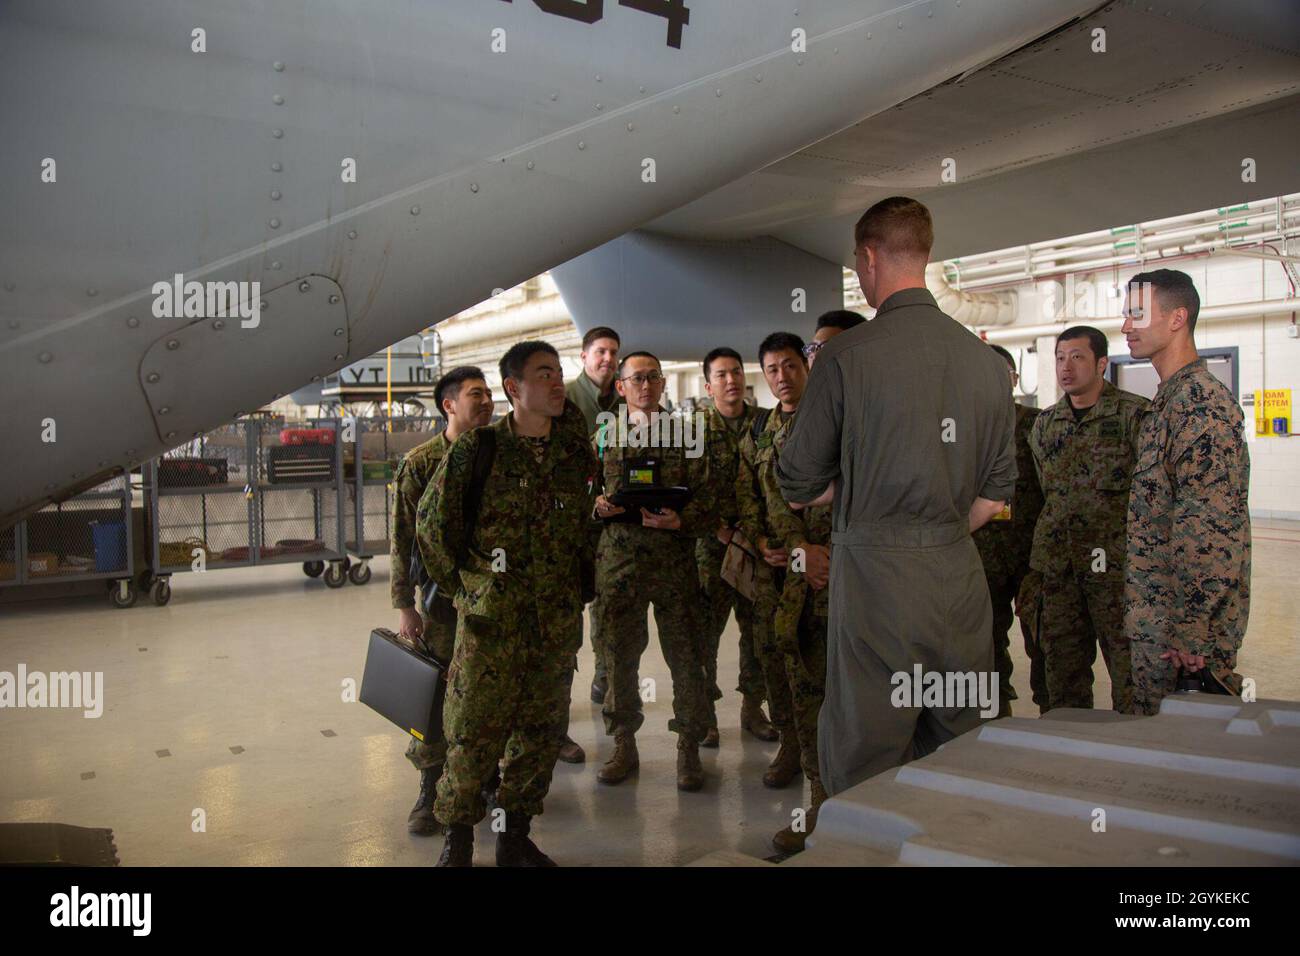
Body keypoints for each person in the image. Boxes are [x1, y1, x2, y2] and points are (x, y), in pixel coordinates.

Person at [775, 196, 1017, 795]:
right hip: (959, 581)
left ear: (870, 256)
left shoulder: (844, 357)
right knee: (963, 747)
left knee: (865, 755)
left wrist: (863, 496)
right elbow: (993, 497)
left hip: (876, 584)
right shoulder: (986, 363)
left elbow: (798, 482)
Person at [417, 341, 598, 867]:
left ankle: (514, 837)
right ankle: (458, 842)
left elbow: (583, 524)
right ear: (514, 388)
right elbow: (432, 529)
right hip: (491, 627)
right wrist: (467, 589)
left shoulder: (572, 448)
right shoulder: (480, 450)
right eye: (545, 374)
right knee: (472, 734)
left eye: (560, 373)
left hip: (555, 624)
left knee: (540, 735)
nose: (558, 383)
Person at [1121, 269, 1250, 715]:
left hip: (1182, 636)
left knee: (1187, 750)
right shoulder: (1168, 400)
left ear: (1177, 318)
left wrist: (1194, 630)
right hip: (1159, 623)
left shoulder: (1200, 403)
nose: (1125, 327)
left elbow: (1212, 528)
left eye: (1136, 314)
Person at [592, 351, 715, 791]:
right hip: (618, 564)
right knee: (619, 658)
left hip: (673, 563)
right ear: (620, 387)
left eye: (653, 377)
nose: (645, 385)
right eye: (636, 378)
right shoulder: (605, 435)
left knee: (686, 658)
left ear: (663, 384)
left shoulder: (687, 434)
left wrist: (683, 520)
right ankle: (623, 742)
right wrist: (598, 505)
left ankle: (688, 746)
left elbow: (711, 499)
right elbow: (583, 490)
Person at [389, 366, 493, 834]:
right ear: (449, 404)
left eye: (489, 393)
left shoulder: (499, 455)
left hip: (491, 600)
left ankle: (484, 778)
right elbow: (401, 539)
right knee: (433, 695)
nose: (487, 401)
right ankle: (430, 785)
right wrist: (404, 603)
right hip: (440, 604)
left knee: (487, 690)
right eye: (476, 394)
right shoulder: (422, 461)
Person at [1028, 326, 1148, 713]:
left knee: (1131, 677)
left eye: (1077, 357)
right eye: (1061, 358)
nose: (1067, 367)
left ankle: (1137, 754)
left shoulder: (1136, 415)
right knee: (1062, 675)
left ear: (1101, 363)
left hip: (1117, 574)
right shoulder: (1046, 424)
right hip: (1061, 572)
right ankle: (1068, 755)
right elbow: (1046, 492)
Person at [751, 332, 833, 854]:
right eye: (772, 369)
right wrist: (790, 546)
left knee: (862, 697)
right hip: (799, 583)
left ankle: (870, 800)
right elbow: (770, 498)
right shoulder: (763, 432)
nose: (782, 376)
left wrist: (830, 554)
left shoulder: (836, 418)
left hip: (853, 576)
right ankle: (821, 800)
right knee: (806, 694)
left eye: (789, 365)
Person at [695, 346, 776, 747]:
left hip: (755, 545)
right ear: (708, 385)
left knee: (758, 631)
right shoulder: (693, 430)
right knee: (705, 634)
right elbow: (686, 489)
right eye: (722, 375)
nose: (731, 380)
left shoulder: (765, 425)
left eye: (736, 373)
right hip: (711, 549)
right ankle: (707, 715)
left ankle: (752, 708)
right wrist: (716, 529)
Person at [972, 345, 1044, 716]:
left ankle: (1055, 717)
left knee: (1045, 639)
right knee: (985, 642)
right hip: (983, 555)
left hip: (1033, 555)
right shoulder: (962, 431)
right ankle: (994, 717)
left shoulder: (1038, 424)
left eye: (1003, 375)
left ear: (1014, 380)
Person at [565, 326, 622, 706]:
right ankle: (558, 701)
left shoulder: (626, 396)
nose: (607, 359)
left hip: (613, 522)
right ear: (584, 356)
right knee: (566, 608)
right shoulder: (565, 398)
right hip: (569, 523)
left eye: (613, 353)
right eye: (600, 351)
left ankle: (605, 676)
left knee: (609, 602)